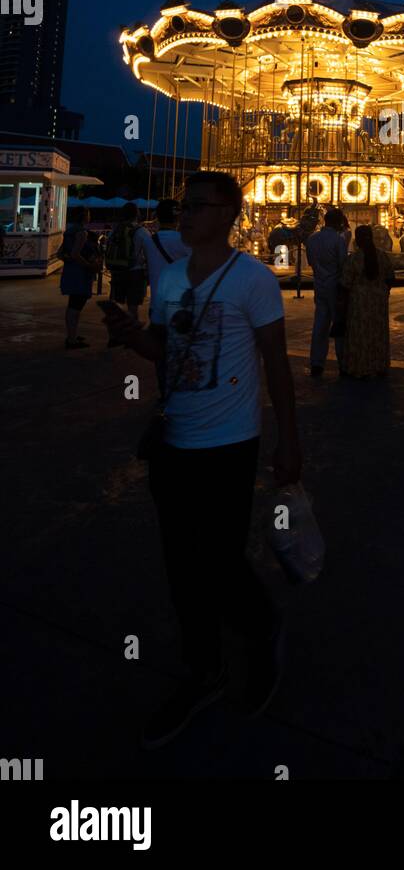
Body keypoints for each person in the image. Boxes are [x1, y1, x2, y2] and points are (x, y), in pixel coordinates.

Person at [100, 170, 302, 748]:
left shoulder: (255, 281)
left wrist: (289, 440)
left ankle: (261, 631)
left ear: (227, 215)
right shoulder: (166, 279)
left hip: (231, 442)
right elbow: (163, 351)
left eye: (196, 206)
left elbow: (279, 364)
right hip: (175, 439)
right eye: (182, 205)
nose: (183, 214)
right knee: (180, 564)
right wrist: (133, 337)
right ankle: (204, 669)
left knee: (219, 557)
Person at [136, 199, 191, 396]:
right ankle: (181, 391)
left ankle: (164, 392)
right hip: (182, 304)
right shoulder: (184, 242)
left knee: (162, 353)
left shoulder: (151, 241)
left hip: (158, 304)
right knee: (184, 351)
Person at [339, 224, 394, 378]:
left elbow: (345, 283)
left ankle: (360, 366)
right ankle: (378, 365)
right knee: (378, 333)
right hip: (378, 301)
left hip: (359, 302)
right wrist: (383, 292)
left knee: (359, 334)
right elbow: (391, 278)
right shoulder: (382, 256)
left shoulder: (354, 259)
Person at [305, 206, 348, 376]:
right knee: (339, 324)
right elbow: (343, 263)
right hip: (335, 285)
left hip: (319, 283)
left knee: (320, 324)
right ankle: (342, 363)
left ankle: (317, 362)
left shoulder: (312, 239)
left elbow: (310, 261)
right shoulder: (338, 240)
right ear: (337, 223)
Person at [59, 206, 101, 348]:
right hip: (80, 274)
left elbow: (61, 253)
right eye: (88, 214)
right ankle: (71, 339)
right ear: (84, 216)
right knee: (76, 306)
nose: (90, 216)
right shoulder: (82, 233)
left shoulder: (69, 232)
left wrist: (69, 259)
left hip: (70, 272)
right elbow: (76, 254)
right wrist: (90, 266)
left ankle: (72, 335)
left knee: (73, 305)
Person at [105, 201, 148, 331]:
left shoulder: (115, 230)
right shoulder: (141, 231)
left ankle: (114, 334)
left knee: (116, 303)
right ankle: (133, 333)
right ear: (137, 214)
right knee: (133, 305)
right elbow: (148, 253)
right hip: (135, 271)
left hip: (117, 270)